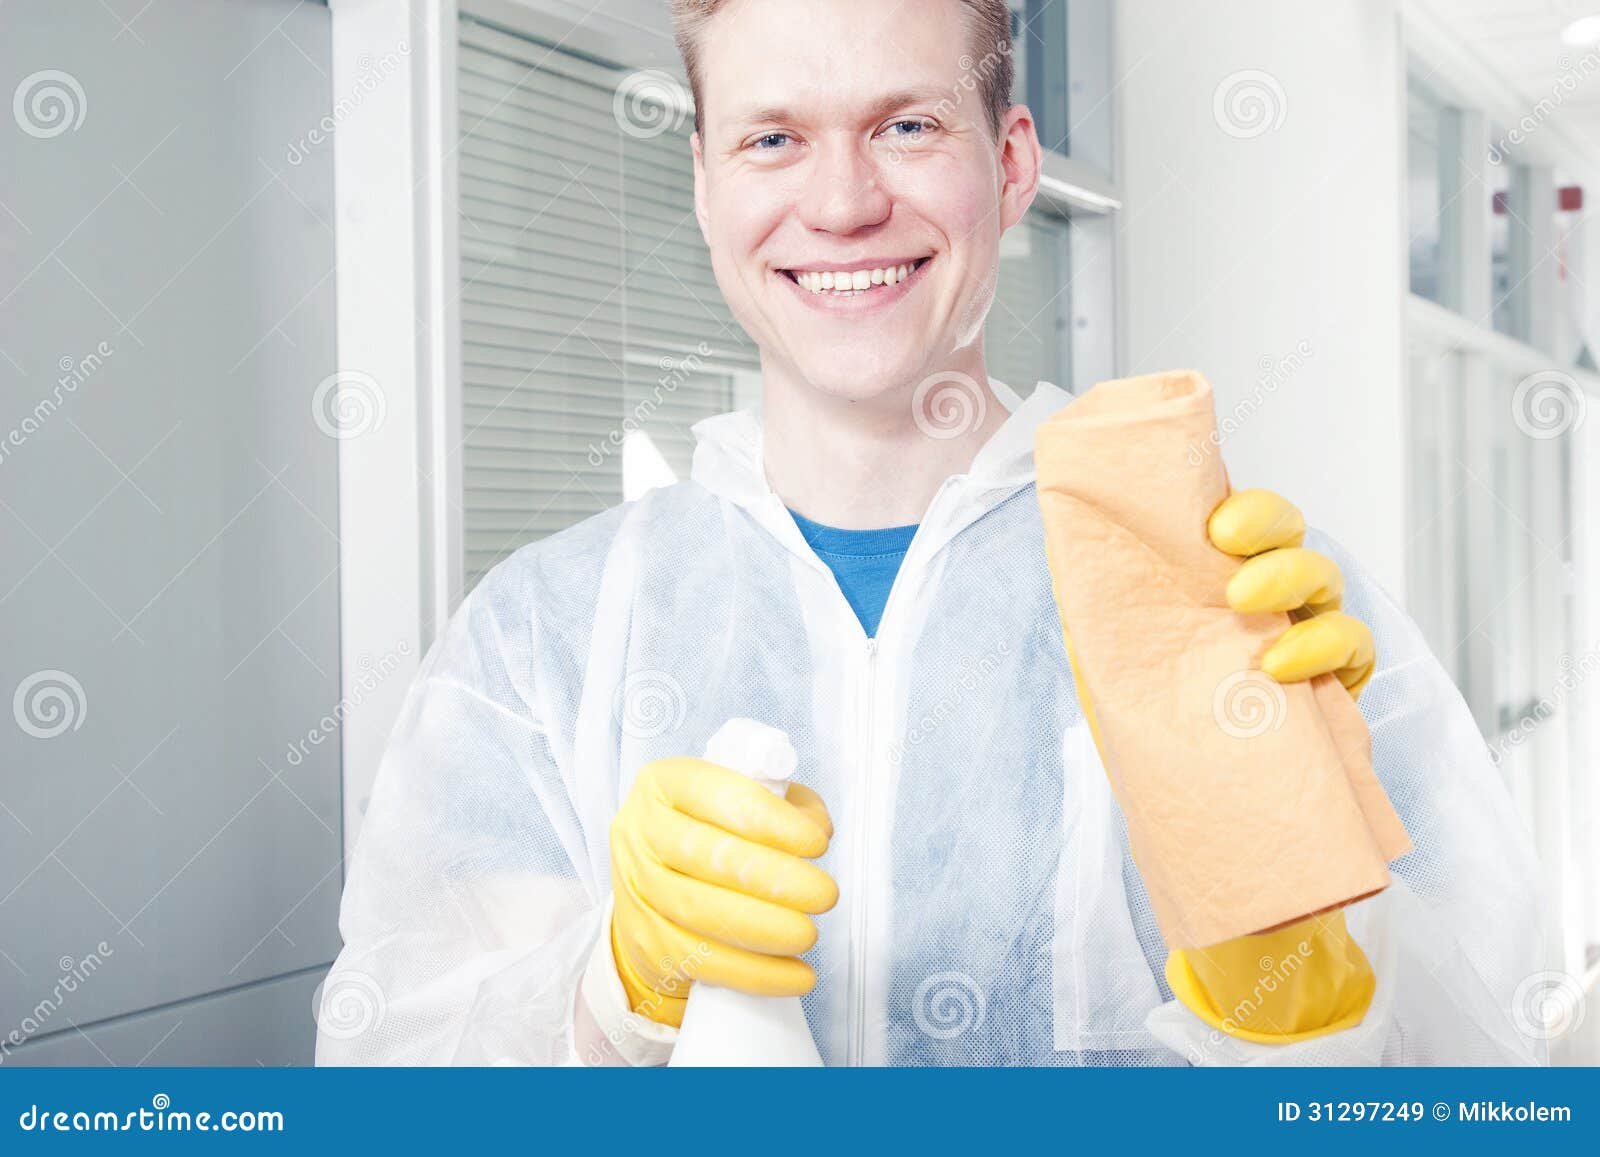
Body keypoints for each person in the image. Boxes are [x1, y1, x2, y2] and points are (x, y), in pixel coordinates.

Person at [315, 0, 1546, 1066]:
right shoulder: (544, 642)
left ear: (1011, 165)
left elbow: (1498, 1068)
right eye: (772, 138)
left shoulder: (1252, 608)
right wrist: (609, 992)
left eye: (907, 125)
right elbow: (391, 1079)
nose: (843, 203)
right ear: (702, 179)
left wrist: (1310, 976)